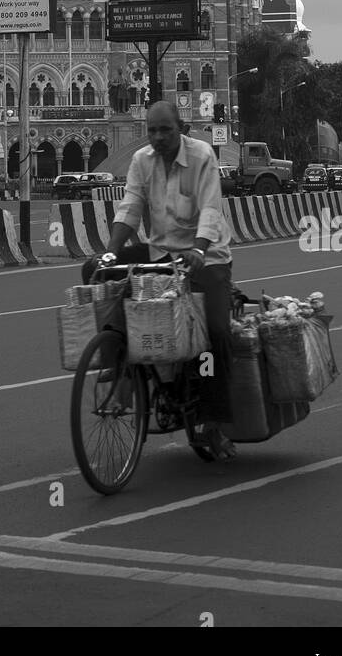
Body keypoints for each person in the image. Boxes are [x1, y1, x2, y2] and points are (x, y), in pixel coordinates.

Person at [82, 100, 236, 461]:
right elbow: (130, 207)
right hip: (160, 253)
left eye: (165, 129)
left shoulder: (201, 156)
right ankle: (118, 365)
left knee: (215, 330)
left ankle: (214, 420)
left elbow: (211, 208)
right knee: (96, 271)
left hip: (207, 257)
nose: (158, 137)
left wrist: (198, 249)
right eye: (152, 130)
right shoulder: (142, 160)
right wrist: (110, 251)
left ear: (181, 128)